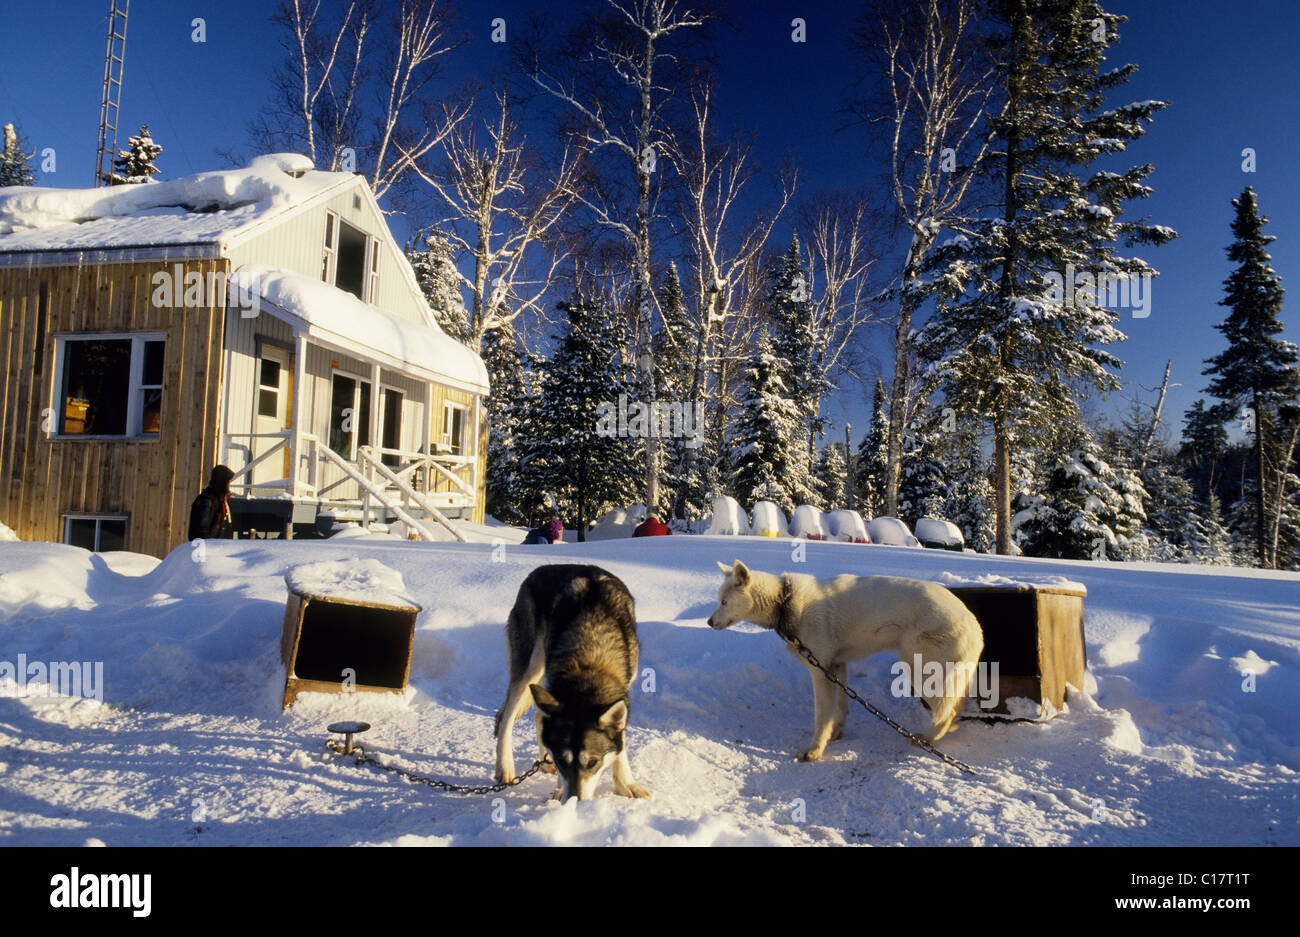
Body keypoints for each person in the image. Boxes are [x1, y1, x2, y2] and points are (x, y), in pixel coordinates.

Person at [188, 465, 234, 540]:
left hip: (217, 546)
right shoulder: (208, 500)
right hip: (208, 547)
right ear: (222, 482)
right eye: (228, 482)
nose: (229, 485)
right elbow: (202, 529)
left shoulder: (222, 500)